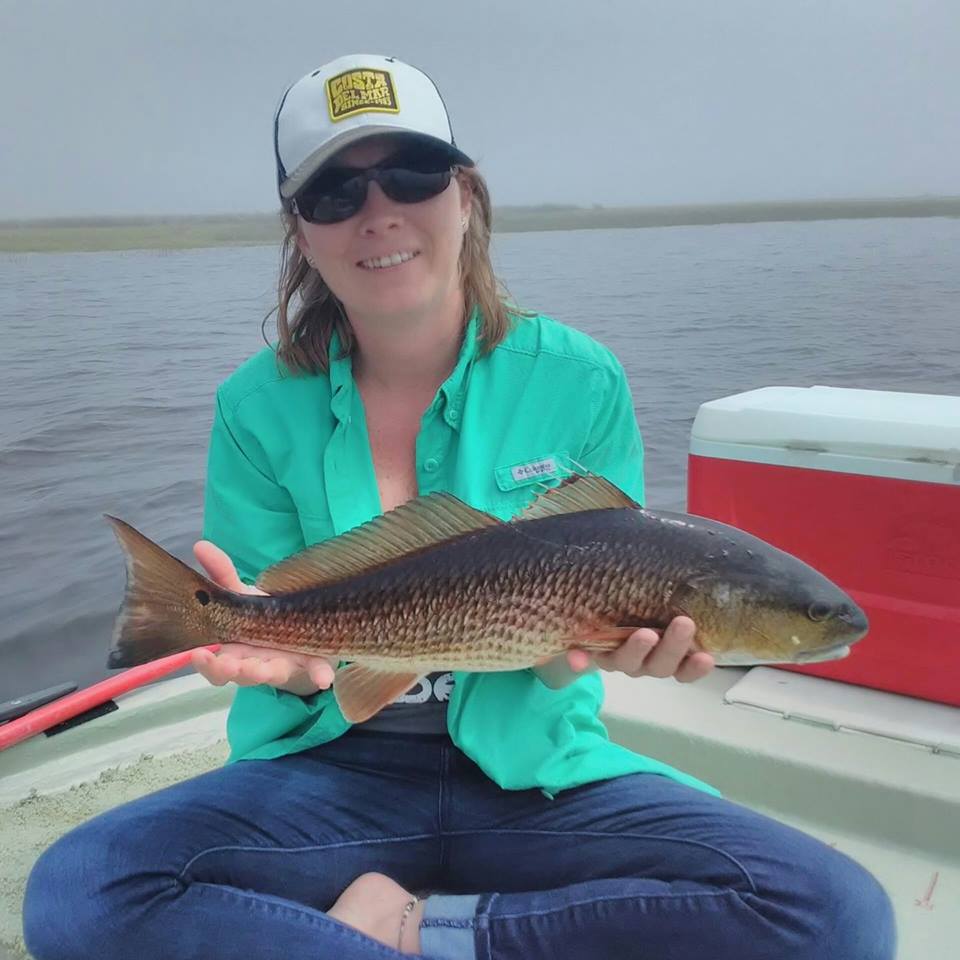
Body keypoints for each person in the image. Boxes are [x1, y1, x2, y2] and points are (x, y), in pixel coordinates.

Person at [23, 54, 895, 960]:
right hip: (326, 776)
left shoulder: (580, 380)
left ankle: (423, 930)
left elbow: (561, 668)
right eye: (335, 192)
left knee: (836, 918)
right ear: (301, 231)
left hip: (533, 778)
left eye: (412, 173)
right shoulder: (255, 406)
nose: (379, 212)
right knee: (81, 894)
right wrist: (268, 653)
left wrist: (608, 652)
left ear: (465, 194)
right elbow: (294, 651)